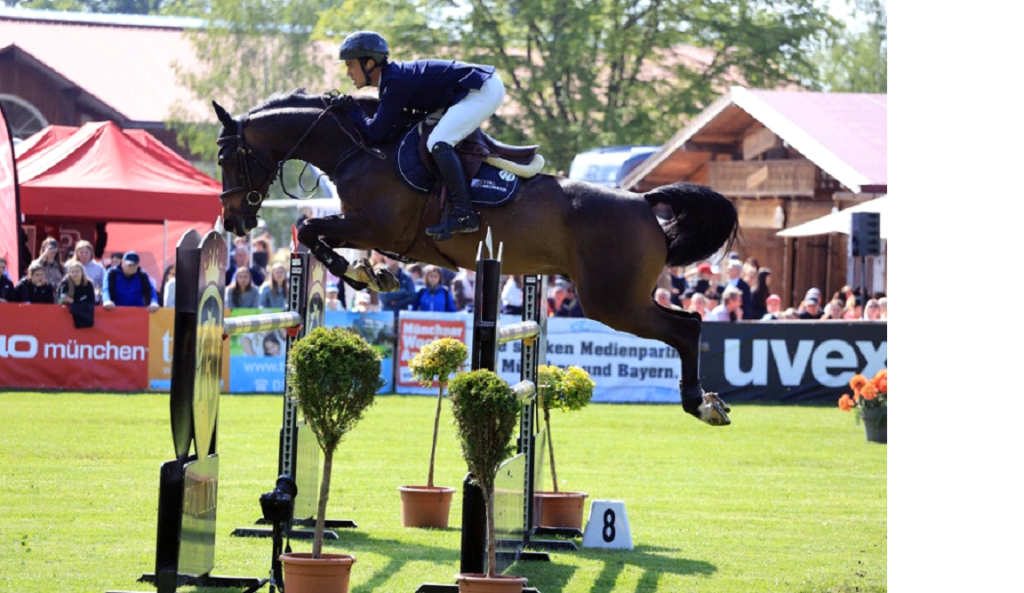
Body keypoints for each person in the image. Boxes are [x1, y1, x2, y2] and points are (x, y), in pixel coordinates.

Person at [335, 31, 505, 239]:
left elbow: (376, 133)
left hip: (482, 89)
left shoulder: (394, 82)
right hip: (478, 87)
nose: (348, 73)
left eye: (350, 66)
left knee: (439, 142)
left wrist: (352, 109)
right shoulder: (392, 80)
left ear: (369, 64)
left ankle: (464, 215)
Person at [58, 261, 96, 328]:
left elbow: (91, 301)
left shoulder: (88, 284)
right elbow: (59, 301)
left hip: (84, 314)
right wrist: (63, 300)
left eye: (77, 271)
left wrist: (73, 301)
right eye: (72, 272)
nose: (75, 274)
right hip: (67, 316)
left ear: (82, 272)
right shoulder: (65, 284)